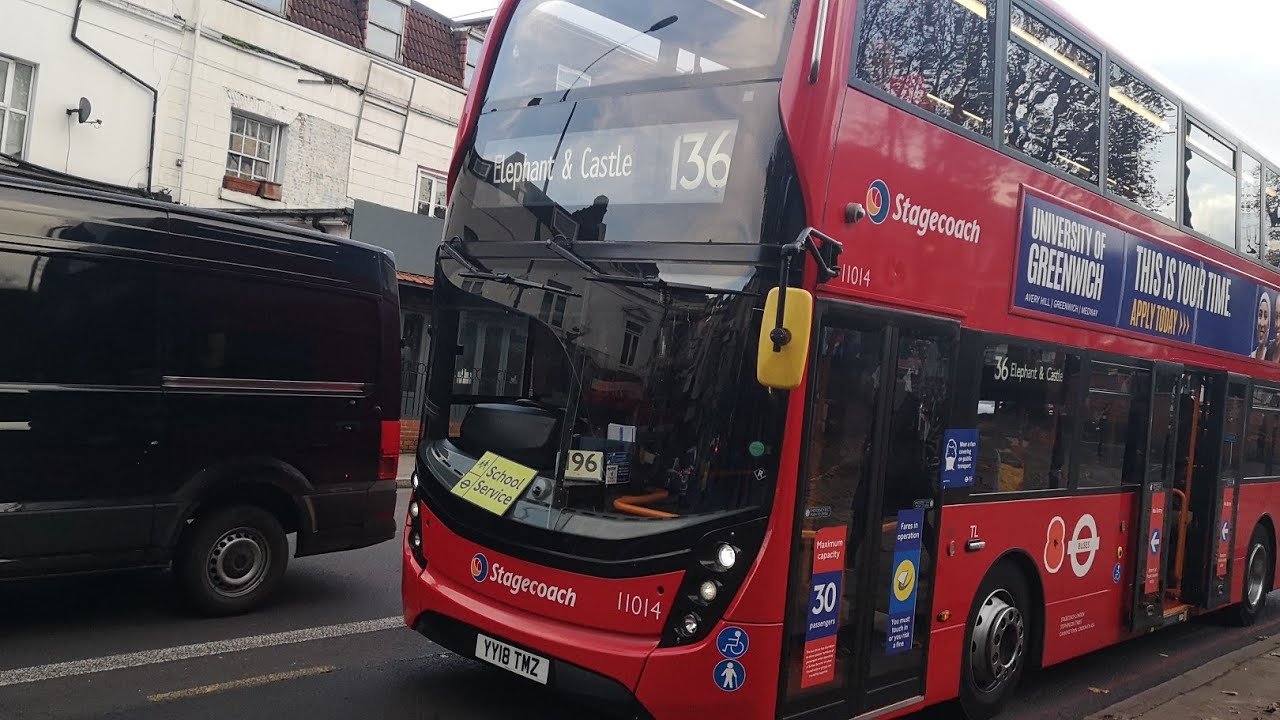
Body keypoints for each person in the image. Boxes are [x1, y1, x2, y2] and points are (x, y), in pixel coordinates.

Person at [1254, 291, 1271, 360]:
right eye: (1260, 315)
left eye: (1266, 316)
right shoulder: (1250, 356)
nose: (1262, 323)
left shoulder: (1271, 358)